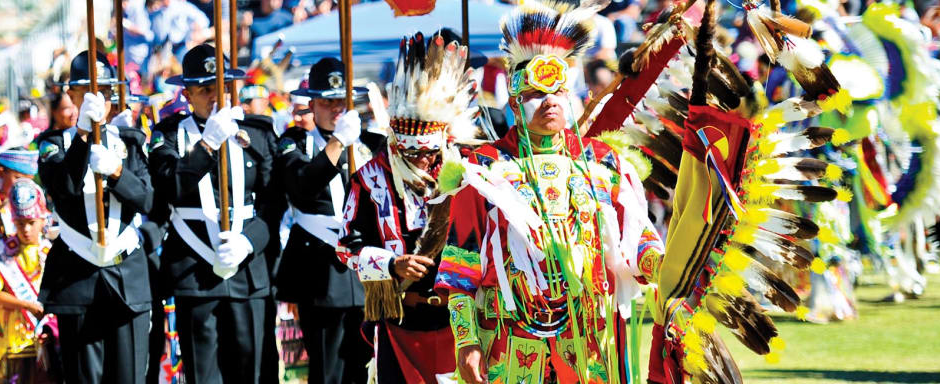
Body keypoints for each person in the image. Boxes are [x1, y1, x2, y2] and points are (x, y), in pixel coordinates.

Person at [436, 4, 665, 382]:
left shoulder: (601, 163)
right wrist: (466, 341)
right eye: (536, 93)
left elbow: (635, 238)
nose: (550, 101)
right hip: (509, 343)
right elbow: (461, 264)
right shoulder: (483, 171)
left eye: (558, 90)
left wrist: (666, 267)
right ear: (514, 103)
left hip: (587, 342)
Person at [338, 30, 473, 382]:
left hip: (461, 323)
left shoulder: (465, 176)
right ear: (396, 144)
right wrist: (391, 263)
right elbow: (344, 245)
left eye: (430, 151)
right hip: (399, 320)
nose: (423, 161)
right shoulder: (368, 180)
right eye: (412, 152)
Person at [150, 44, 275, 384]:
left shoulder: (259, 134)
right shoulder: (170, 135)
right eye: (204, 89)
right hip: (195, 270)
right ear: (187, 94)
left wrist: (250, 242)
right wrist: (207, 144)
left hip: (247, 272)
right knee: (203, 374)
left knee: (251, 371)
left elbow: (273, 202)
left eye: (220, 86)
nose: (214, 96)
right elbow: (170, 188)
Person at [35, 50, 155, 383]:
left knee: (130, 376)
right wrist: (83, 137)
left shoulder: (129, 142)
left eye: (103, 91)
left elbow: (147, 199)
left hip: (126, 275)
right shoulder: (52, 144)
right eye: (88, 91)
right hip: (77, 276)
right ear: (72, 94)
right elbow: (66, 187)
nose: (97, 99)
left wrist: (117, 172)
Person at [272, 57, 382, 384]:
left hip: (363, 267)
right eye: (326, 101)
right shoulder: (295, 141)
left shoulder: (369, 144)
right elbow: (303, 186)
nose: (335, 108)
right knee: (327, 368)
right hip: (317, 267)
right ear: (312, 105)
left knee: (363, 366)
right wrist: (337, 143)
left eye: (340, 101)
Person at [0, 178, 55, 383]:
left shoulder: (51, 252)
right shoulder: (1, 252)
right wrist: (26, 305)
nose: (26, 230)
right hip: (10, 342)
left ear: (42, 220)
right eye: (20, 223)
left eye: (32, 223)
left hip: (43, 341)